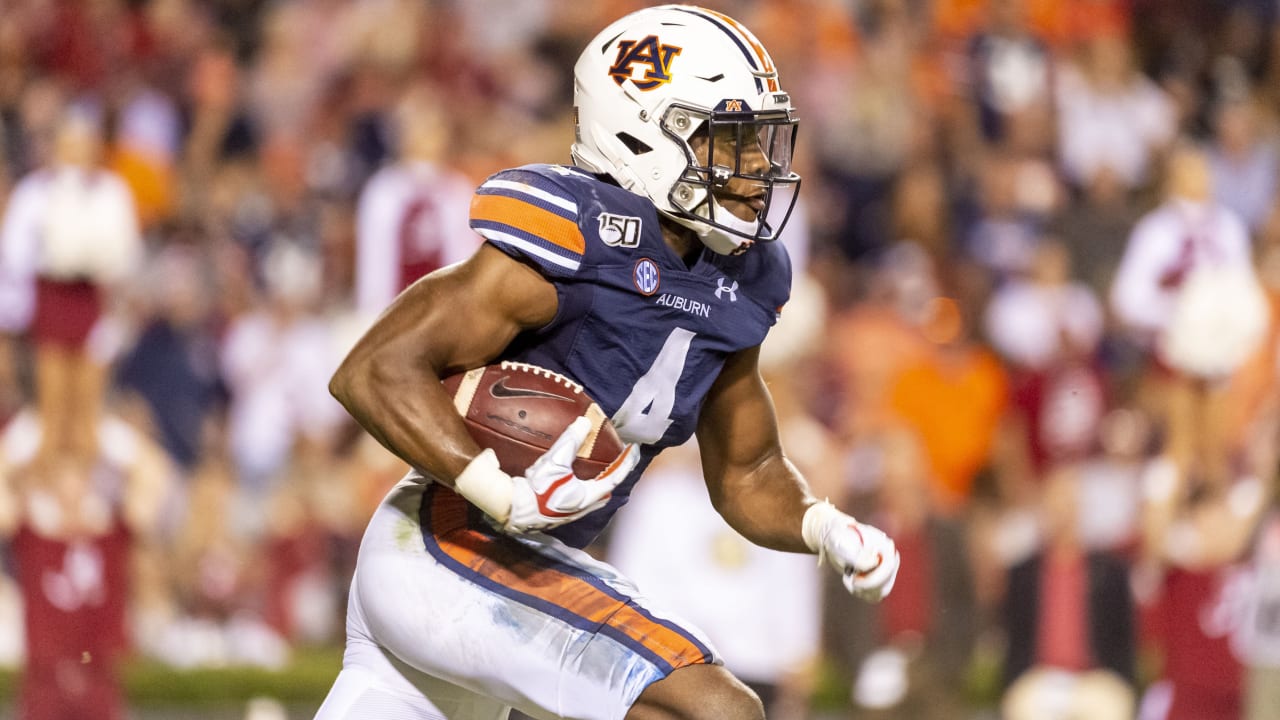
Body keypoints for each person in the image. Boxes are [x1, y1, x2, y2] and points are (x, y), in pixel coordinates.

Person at [313, 6, 900, 720]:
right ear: (643, 135)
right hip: (447, 544)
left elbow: (746, 470)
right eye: (730, 143)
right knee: (714, 710)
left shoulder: (740, 278)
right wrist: (492, 486)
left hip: (498, 570)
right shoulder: (580, 239)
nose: (758, 170)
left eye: (759, 144)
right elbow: (373, 368)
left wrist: (822, 527)